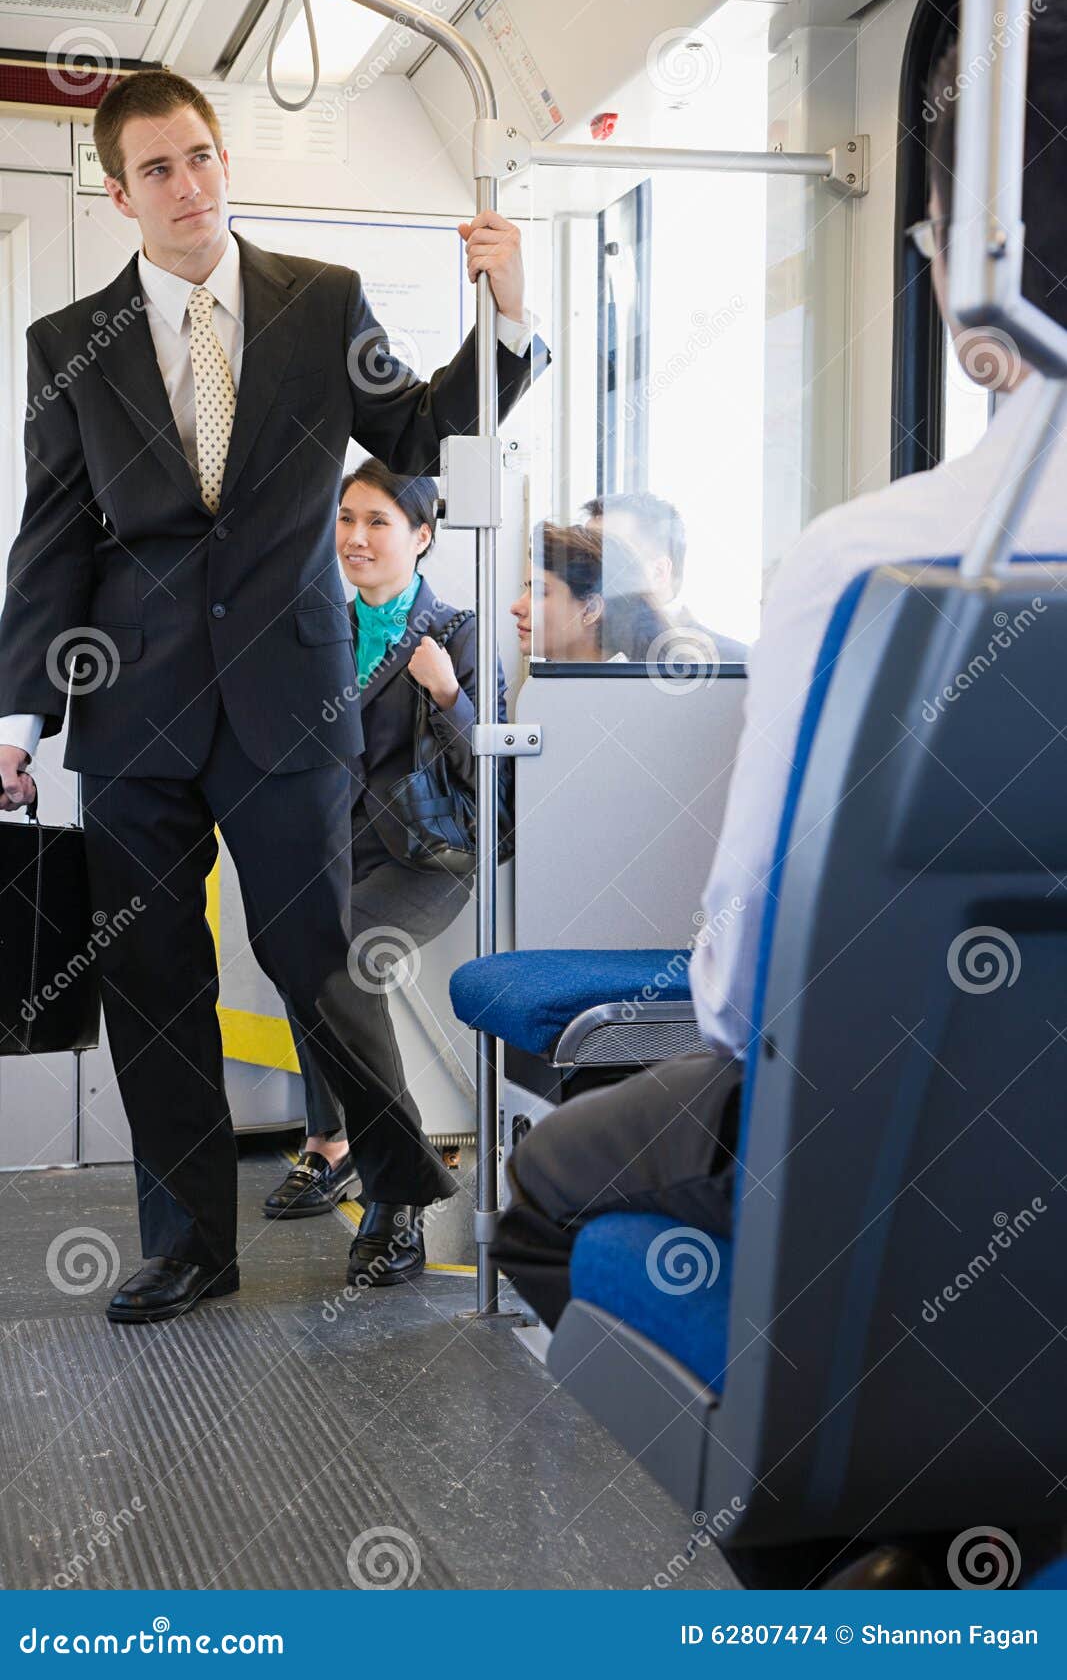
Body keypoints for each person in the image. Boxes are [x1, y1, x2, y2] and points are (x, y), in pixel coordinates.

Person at [493, 0, 1067, 1328]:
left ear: (951, 255)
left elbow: (748, 983)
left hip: (904, 1131)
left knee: (551, 1186)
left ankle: (818, 1495)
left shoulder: (867, 565)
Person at [0, 69, 543, 1324]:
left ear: (222, 159)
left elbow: (416, 437)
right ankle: (191, 1242)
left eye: (200, 157)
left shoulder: (319, 303)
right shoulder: (66, 347)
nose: (187, 187)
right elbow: (52, 542)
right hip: (131, 706)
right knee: (150, 973)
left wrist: (507, 318)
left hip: (290, 698)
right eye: (157, 170)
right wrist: (18, 722)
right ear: (116, 187)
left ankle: (397, 1197)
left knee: (317, 960)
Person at [263, 459, 509, 1284]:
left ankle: (398, 1195)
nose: (355, 538)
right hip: (328, 848)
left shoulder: (458, 633)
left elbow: (497, 777)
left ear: (423, 536)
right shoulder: (315, 623)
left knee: (343, 957)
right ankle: (330, 1141)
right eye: (345, 519)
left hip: (422, 856)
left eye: (377, 522)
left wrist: (449, 697)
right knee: (303, 953)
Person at [583, 490, 748, 663]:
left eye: (610, 554)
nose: (585, 568)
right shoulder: (567, 652)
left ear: (658, 572)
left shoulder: (734, 665)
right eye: (583, 554)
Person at [510, 521, 667, 663]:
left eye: (538, 592)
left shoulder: (622, 692)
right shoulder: (550, 687)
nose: (516, 608)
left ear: (590, 609)